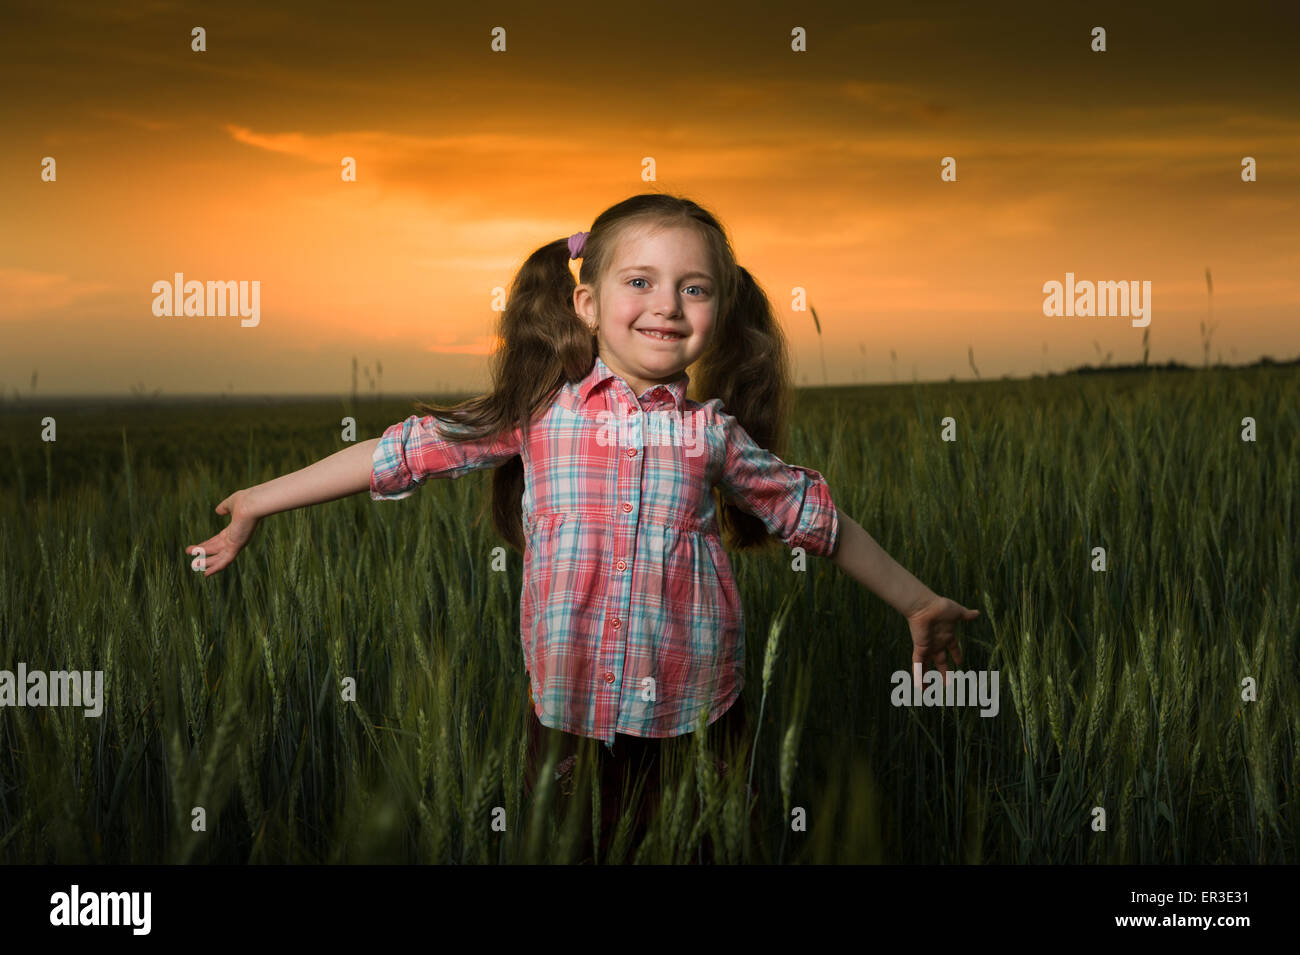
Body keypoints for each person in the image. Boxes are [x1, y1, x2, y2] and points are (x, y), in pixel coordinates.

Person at [185, 192, 978, 863]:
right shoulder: (539, 415)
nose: (668, 303)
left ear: (720, 310)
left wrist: (916, 601)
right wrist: (258, 499)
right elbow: (401, 452)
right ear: (588, 304)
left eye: (694, 288)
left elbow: (819, 520)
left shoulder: (713, 434)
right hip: (567, 717)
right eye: (641, 281)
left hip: (698, 718)